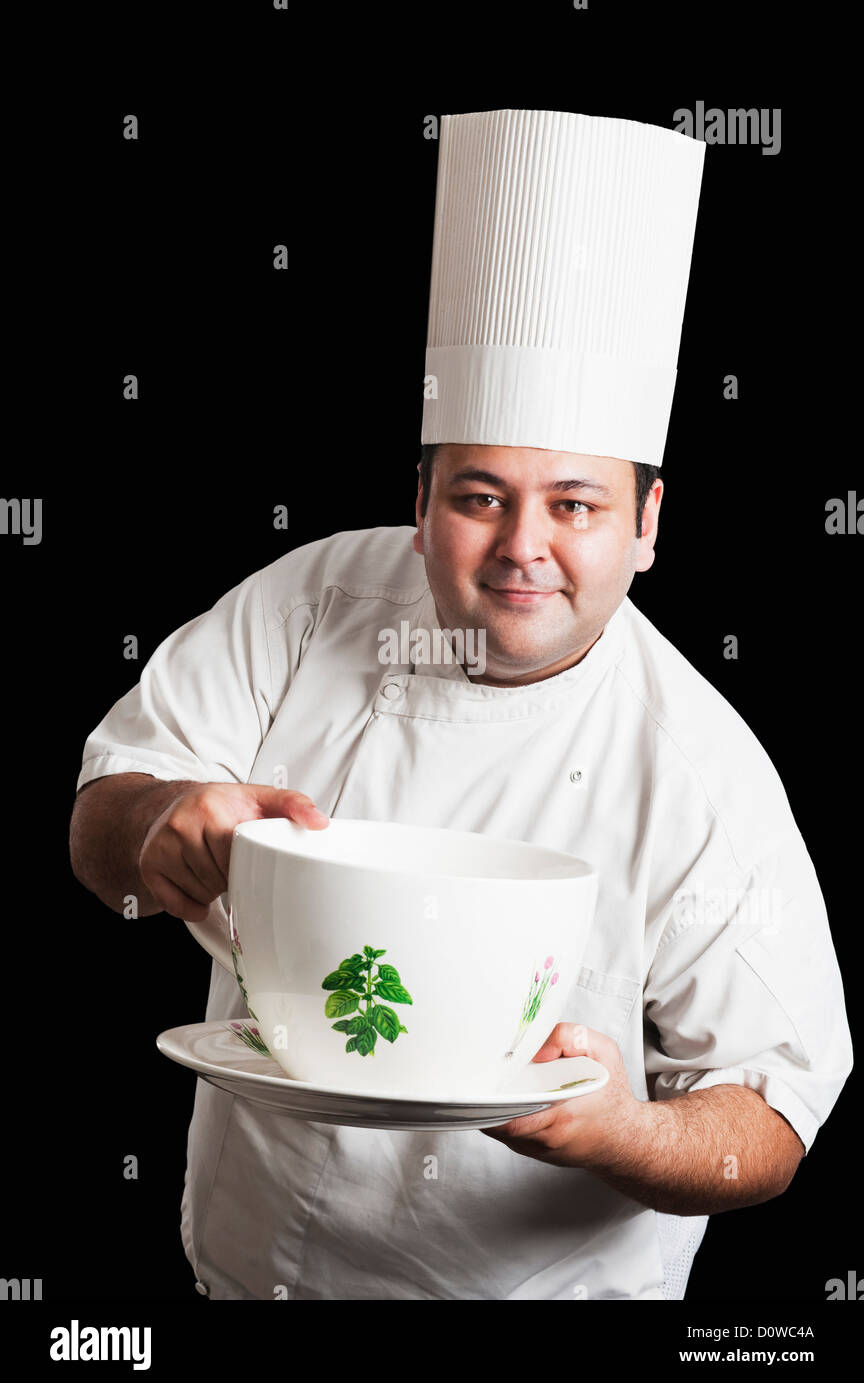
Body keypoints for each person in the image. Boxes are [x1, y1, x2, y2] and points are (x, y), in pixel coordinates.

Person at [69, 110, 852, 1300]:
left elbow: (773, 1120)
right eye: (481, 495)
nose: (522, 550)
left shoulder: (697, 771)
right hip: (246, 1279)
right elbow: (99, 827)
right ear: (422, 497)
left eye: (577, 506)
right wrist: (154, 823)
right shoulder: (309, 603)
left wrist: (619, 1134)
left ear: (647, 524)